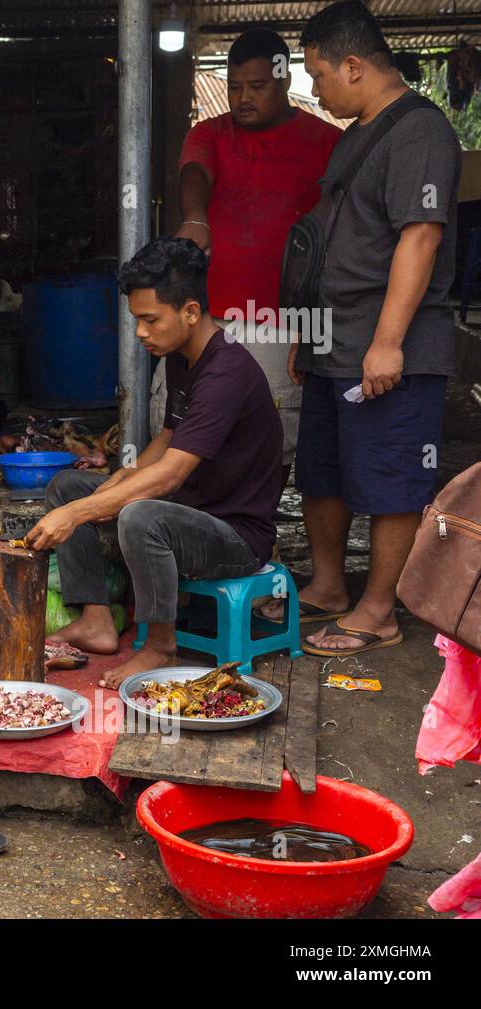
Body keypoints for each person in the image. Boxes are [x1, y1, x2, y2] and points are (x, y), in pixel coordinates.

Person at [278, 1, 459, 658]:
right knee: (321, 469)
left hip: (389, 345)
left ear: (354, 64)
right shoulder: (357, 132)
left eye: (319, 75)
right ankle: (329, 585)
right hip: (334, 336)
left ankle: (379, 609)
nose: (316, 90)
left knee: (389, 477)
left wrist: (388, 342)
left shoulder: (419, 133)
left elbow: (421, 236)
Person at [26, 238, 283, 690]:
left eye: (150, 320)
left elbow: (174, 472)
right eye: (137, 320)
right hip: (191, 514)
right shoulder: (184, 358)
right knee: (69, 485)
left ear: (189, 311)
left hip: (236, 535)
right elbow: (169, 438)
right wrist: (119, 479)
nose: (141, 332)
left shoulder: (227, 373)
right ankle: (97, 620)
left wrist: (80, 514)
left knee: (141, 513)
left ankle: (161, 646)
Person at [155, 28, 341, 472]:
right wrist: (195, 217)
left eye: (256, 87)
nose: (242, 98)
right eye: (235, 87)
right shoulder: (210, 133)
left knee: (267, 445)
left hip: (281, 326)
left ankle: (255, 539)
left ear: (284, 79)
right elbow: (194, 173)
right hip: (207, 319)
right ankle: (188, 533)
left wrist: (313, 327)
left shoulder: (326, 143)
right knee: (184, 437)